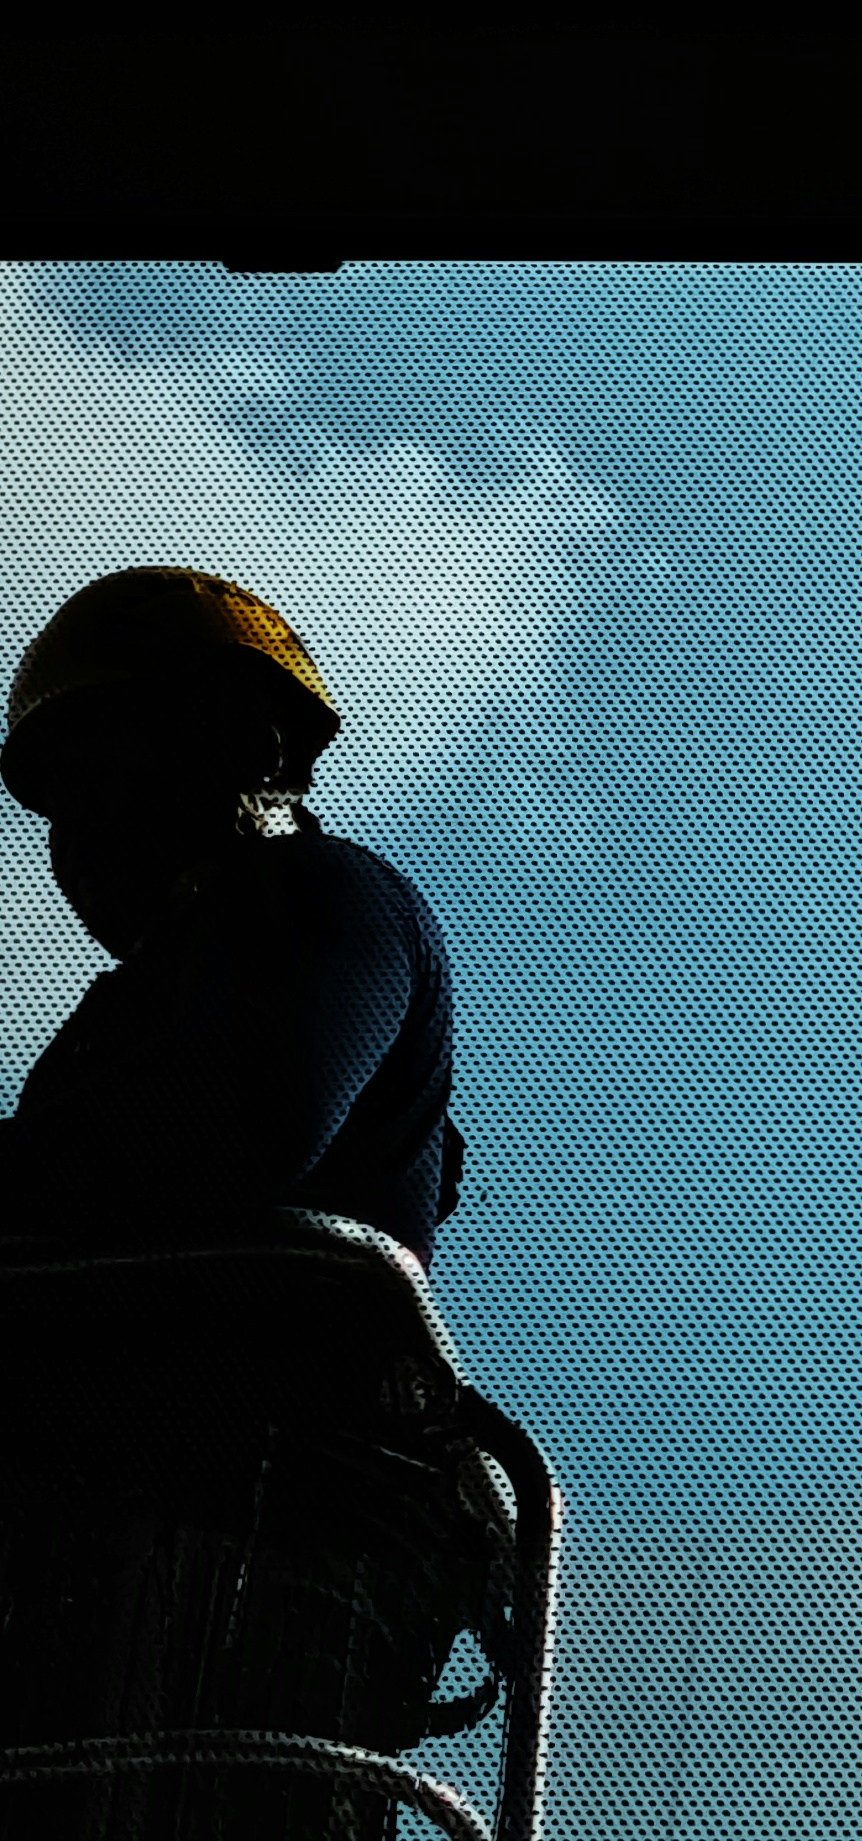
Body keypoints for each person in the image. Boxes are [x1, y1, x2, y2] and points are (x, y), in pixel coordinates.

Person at [0, 569, 493, 1841]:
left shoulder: (323, 904)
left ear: (241, 744)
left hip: (255, 1510)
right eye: (52, 804)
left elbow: (241, 1123)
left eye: (103, 766)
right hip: (113, 1510)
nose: (72, 836)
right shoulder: (124, 1014)